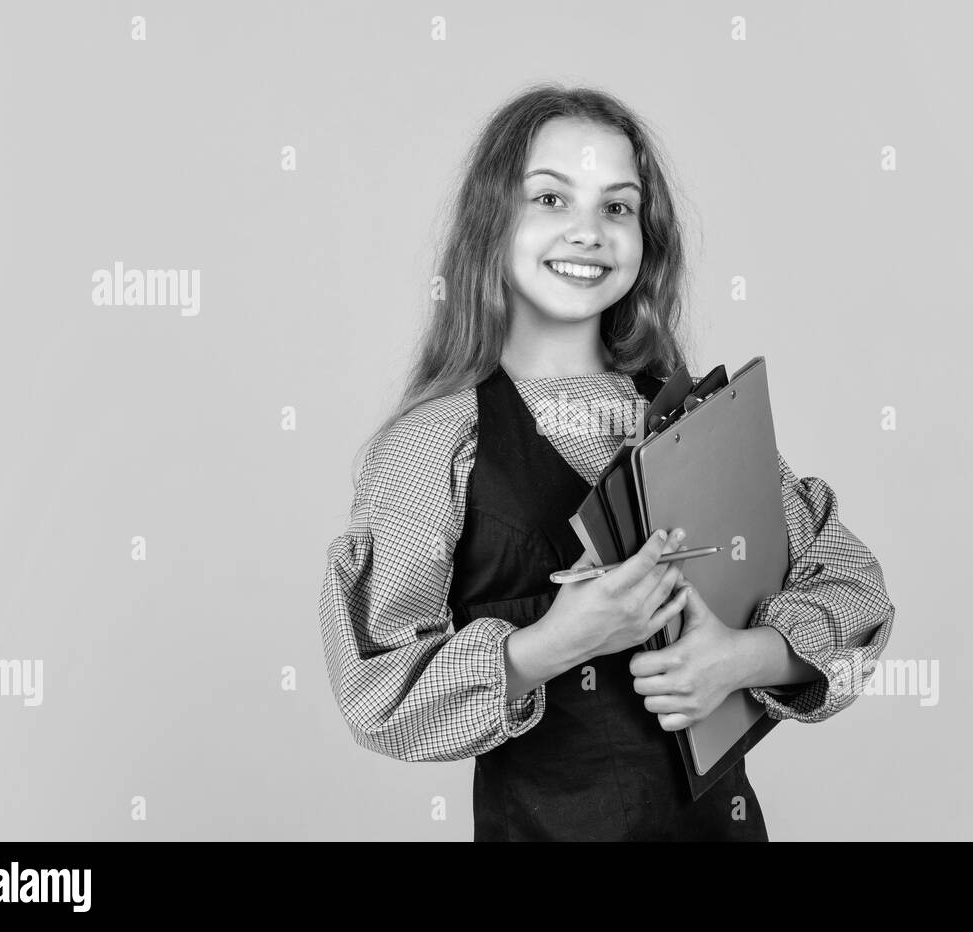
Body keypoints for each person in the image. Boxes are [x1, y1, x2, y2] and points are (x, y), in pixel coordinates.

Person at [319, 84, 897, 841]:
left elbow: (856, 593)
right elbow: (378, 693)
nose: (587, 232)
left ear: (646, 239)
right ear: (492, 221)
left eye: (617, 207)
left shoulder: (699, 422)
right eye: (551, 200)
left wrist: (743, 658)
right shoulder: (437, 443)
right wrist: (558, 642)